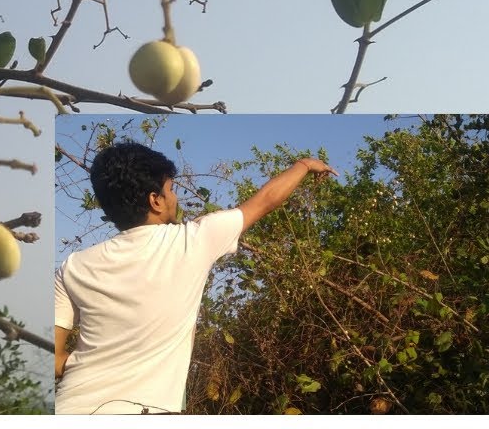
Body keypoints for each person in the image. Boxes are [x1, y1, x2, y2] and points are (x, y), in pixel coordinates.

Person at [54, 141, 337, 415]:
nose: (174, 197)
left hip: (69, 407)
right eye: (171, 189)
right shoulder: (192, 240)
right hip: (141, 411)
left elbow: (54, 359)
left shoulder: (73, 266)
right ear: (155, 200)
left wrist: (89, 368)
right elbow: (266, 201)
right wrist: (304, 165)